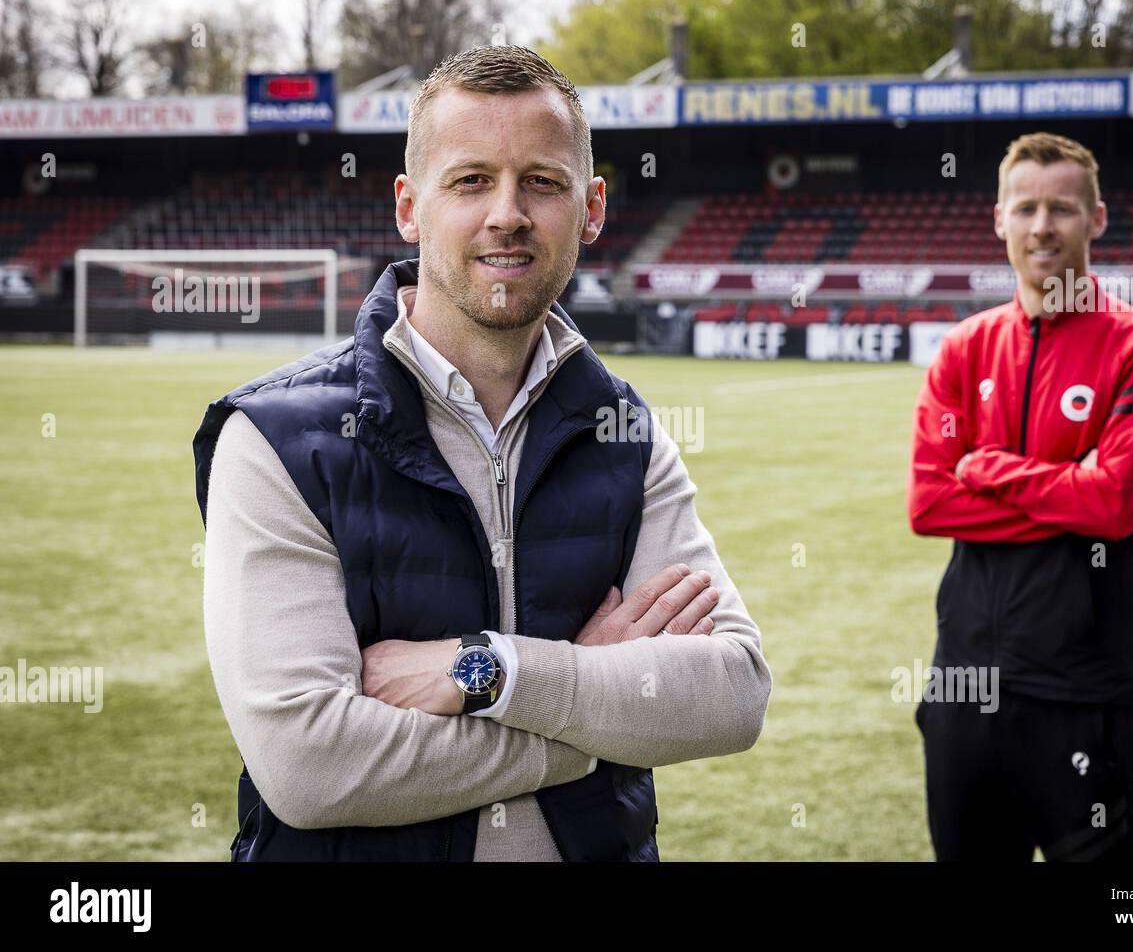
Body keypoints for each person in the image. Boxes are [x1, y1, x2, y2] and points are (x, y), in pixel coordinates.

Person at [193, 45, 771, 862]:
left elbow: (732, 695)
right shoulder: (276, 442)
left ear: (592, 207)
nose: (508, 213)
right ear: (409, 205)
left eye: (542, 181)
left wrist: (489, 671)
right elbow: (311, 768)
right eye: (470, 181)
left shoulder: (624, 433)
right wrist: (586, 703)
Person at [906, 132, 1133, 861]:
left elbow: (1115, 504)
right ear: (998, 218)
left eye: (1061, 208)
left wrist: (990, 466)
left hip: (1080, 696)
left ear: (1096, 219)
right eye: (1025, 207)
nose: (1042, 226)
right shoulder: (964, 348)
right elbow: (929, 504)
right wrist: (1072, 486)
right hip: (963, 686)